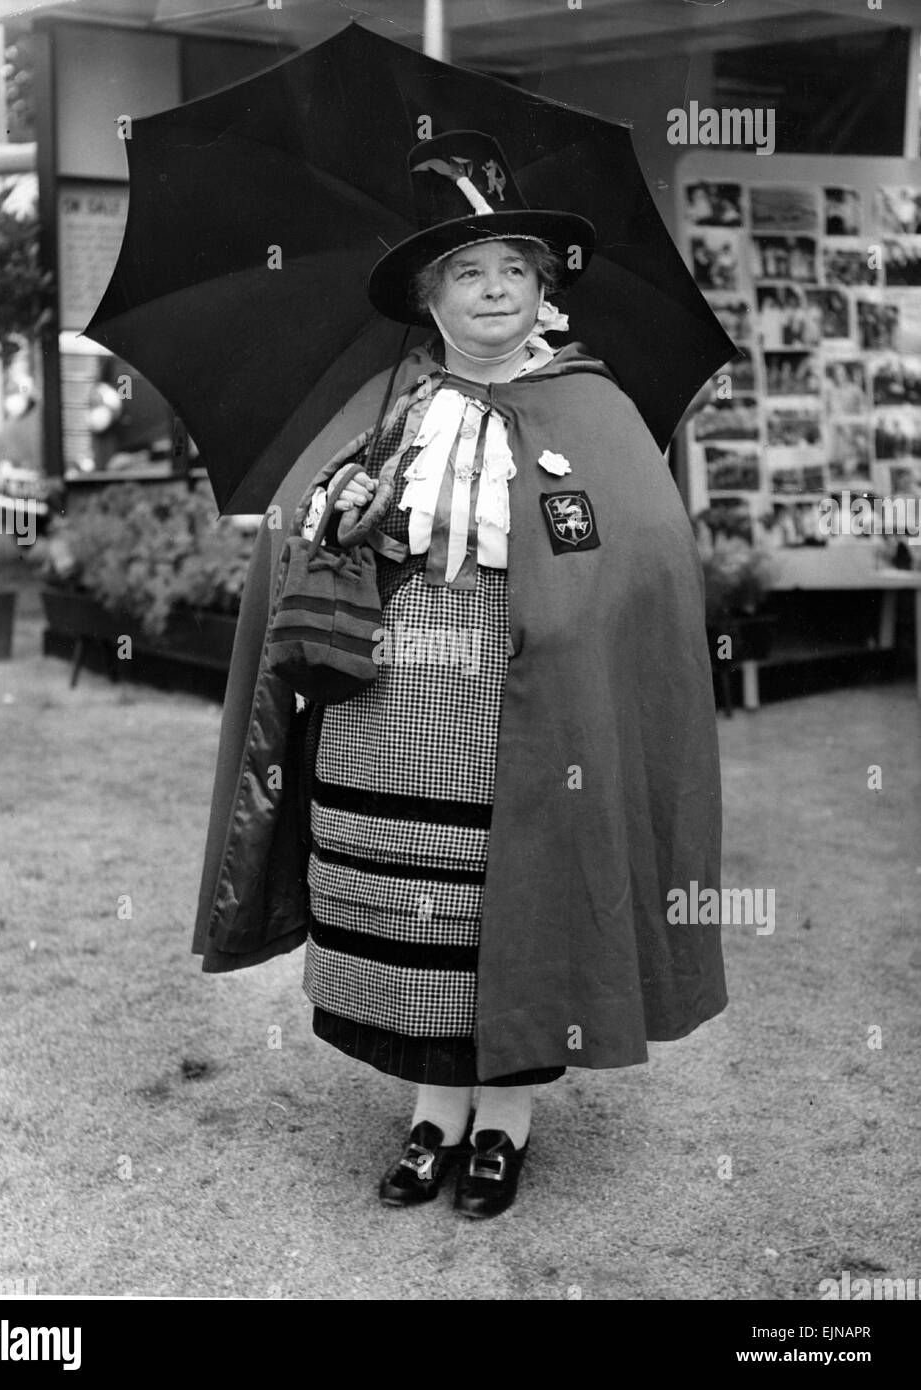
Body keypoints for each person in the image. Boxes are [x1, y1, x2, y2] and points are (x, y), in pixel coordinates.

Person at [193, 131, 726, 1219]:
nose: (492, 292)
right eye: (468, 276)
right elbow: (298, 544)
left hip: (529, 715)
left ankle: (503, 1126)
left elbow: (649, 566)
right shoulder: (385, 413)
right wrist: (333, 524)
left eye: (513, 273)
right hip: (391, 701)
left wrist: (565, 612)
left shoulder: (598, 414)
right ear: (429, 299)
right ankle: (433, 1114)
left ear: (542, 293)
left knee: (511, 905)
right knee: (416, 913)